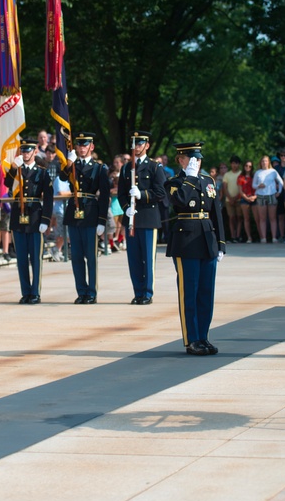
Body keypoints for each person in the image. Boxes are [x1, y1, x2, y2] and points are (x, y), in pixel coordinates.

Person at [165, 142, 224, 355]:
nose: (196, 163)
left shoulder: (208, 180)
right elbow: (179, 200)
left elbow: (216, 211)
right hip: (185, 241)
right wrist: (189, 178)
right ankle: (191, 340)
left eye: (198, 159)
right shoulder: (174, 181)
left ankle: (203, 337)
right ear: (180, 160)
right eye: (191, 159)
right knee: (189, 291)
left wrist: (221, 243)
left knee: (206, 292)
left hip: (207, 238)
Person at [58, 132, 110, 304]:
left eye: (85, 145)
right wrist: (69, 163)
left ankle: (92, 292)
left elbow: (103, 196)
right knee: (77, 256)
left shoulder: (99, 168)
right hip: (74, 213)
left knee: (91, 256)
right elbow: (62, 177)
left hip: (90, 213)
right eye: (79, 145)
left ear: (91, 147)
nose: (81, 148)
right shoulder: (72, 165)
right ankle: (81, 291)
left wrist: (102, 220)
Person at [117, 130, 167, 305]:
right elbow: (121, 194)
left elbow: (161, 192)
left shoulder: (154, 167)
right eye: (134, 144)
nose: (136, 147)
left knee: (148, 258)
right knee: (134, 259)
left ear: (147, 145)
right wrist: (126, 208)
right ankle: (137, 292)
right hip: (132, 219)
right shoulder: (126, 168)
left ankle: (147, 292)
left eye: (140, 144)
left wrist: (142, 195)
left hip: (148, 217)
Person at [5, 138, 54, 304]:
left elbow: (48, 198)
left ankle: (35, 292)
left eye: (28, 150)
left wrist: (45, 220)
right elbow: (6, 184)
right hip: (18, 217)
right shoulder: (16, 170)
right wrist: (13, 168)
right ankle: (25, 292)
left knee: (35, 258)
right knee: (21, 259)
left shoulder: (42, 172)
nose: (25, 153)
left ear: (35, 151)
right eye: (23, 150)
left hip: (34, 217)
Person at [253, 155, 284, 243]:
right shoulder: (258, 172)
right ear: (260, 163)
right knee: (262, 218)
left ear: (269, 162)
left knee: (273, 217)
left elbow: (281, 182)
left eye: (266, 161)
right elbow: (253, 185)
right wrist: (259, 185)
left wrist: (279, 192)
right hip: (260, 195)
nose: (264, 163)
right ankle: (263, 238)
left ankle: (274, 237)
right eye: (263, 161)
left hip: (271, 194)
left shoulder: (273, 171)